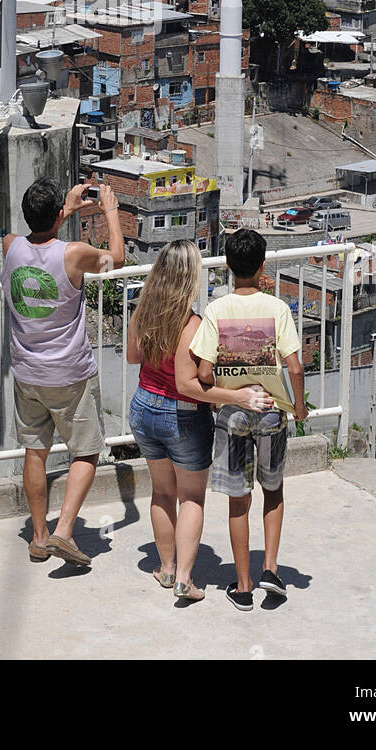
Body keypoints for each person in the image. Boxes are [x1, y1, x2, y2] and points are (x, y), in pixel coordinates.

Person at [127, 240, 277, 602]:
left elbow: (133, 357)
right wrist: (238, 396)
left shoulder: (142, 311)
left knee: (161, 493)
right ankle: (183, 579)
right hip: (181, 416)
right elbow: (187, 385)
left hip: (143, 406)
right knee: (190, 497)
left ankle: (165, 568)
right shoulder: (191, 323)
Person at [1, 176, 125, 567]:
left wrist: (64, 210)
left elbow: (34, 238)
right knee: (86, 452)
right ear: (57, 215)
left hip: (26, 371)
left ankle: (39, 538)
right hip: (70, 372)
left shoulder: (10, 246)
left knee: (34, 453)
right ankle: (64, 532)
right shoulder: (74, 254)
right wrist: (109, 209)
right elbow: (116, 258)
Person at [190, 228, 307, 610]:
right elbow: (295, 365)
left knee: (239, 500)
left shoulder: (216, 309)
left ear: (227, 266)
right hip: (271, 411)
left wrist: (221, 393)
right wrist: (300, 406)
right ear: (262, 266)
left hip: (234, 412)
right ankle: (271, 569)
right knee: (273, 491)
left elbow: (204, 372)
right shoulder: (277, 309)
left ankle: (242, 585)